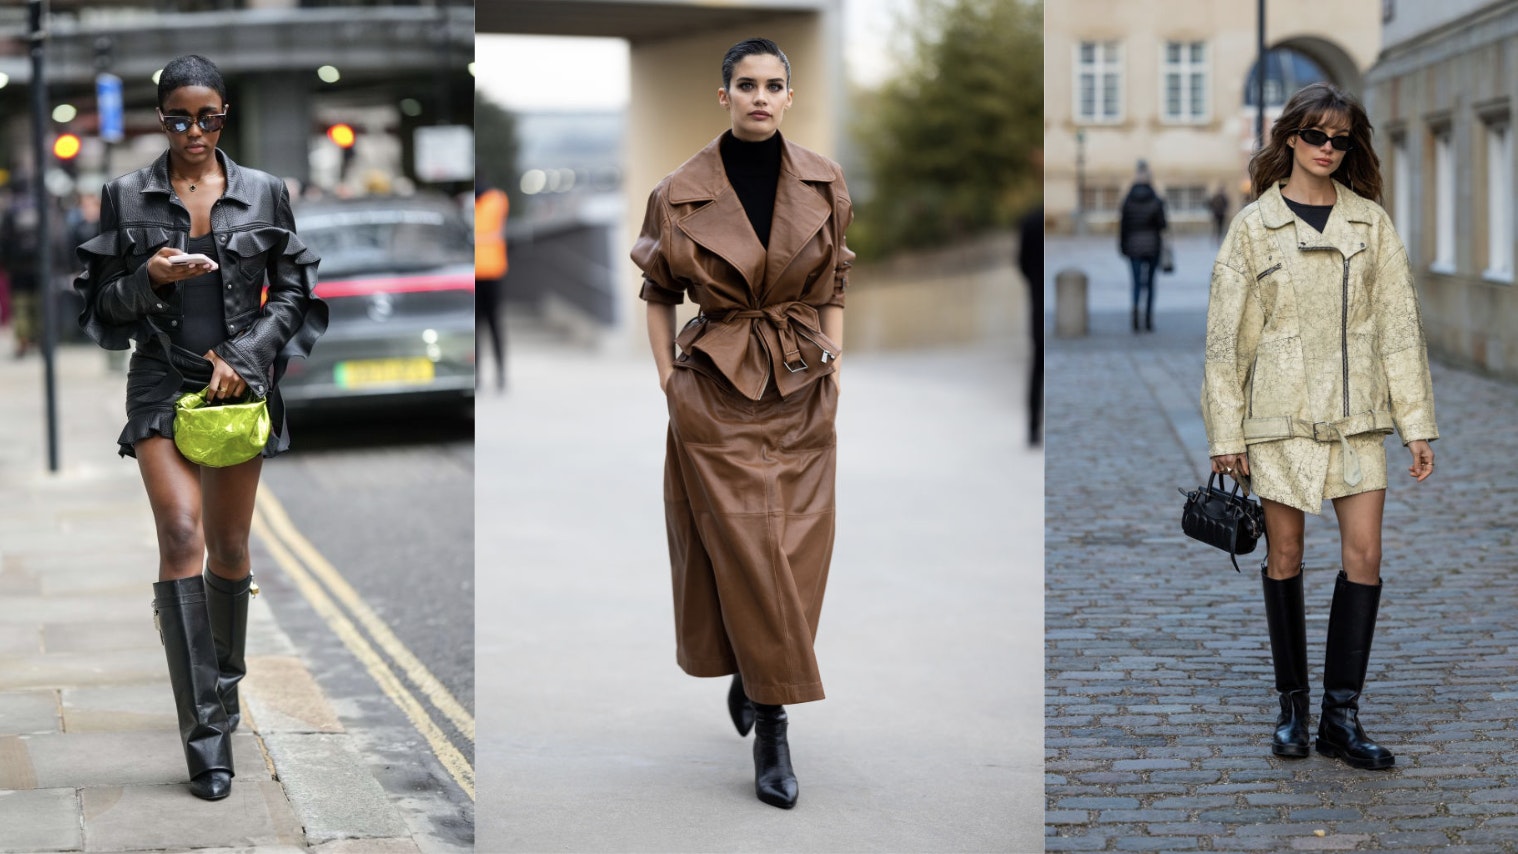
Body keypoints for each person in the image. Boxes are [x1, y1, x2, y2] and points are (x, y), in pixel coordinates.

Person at [72, 55, 328, 800]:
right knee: (180, 534)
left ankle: (223, 686)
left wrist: (245, 358)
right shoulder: (125, 196)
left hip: (236, 388)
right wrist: (148, 279)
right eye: (179, 117)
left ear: (224, 117)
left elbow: (294, 294)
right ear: (161, 118)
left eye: (207, 117)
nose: (193, 130)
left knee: (231, 547)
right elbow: (99, 309)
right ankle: (206, 741)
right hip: (160, 379)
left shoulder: (264, 192)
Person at [631, 37, 852, 810]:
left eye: (773, 85)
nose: (761, 97)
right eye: (747, 84)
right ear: (723, 94)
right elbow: (658, 292)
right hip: (716, 390)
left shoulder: (825, 180)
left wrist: (835, 365)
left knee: (798, 552)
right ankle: (773, 724)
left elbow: (835, 283)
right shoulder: (677, 191)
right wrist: (669, 382)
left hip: (802, 384)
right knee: (749, 546)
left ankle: (756, 667)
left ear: (790, 96)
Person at [1201, 82, 1436, 771]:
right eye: (1315, 135)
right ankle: (1292, 710)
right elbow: (1225, 343)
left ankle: (1341, 717)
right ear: (1290, 138)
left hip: (1358, 421)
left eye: (1340, 139)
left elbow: (1400, 328)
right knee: (1286, 555)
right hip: (1278, 422)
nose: (1327, 148)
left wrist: (1416, 424)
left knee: (1365, 557)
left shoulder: (1371, 225)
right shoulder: (1253, 228)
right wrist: (1227, 435)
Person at [1118, 160, 1167, 333]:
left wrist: (1123, 246)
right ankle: (1148, 318)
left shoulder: (1128, 200)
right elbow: (1163, 225)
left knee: (1136, 282)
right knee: (1151, 283)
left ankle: (1135, 312)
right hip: (1152, 245)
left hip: (1133, 245)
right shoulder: (1156, 200)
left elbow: (1123, 226)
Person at [0, 179, 42, 357]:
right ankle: (38, 338)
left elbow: (4, 240)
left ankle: (23, 339)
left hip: (17, 268)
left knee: (20, 305)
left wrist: (5, 263)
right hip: (39, 265)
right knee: (38, 303)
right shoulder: (38, 206)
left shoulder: (11, 210)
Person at [474, 184, 508, 392]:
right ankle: (489, 374)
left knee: (488, 326)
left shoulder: (495, 199)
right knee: (488, 326)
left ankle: (494, 374)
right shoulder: (497, 199)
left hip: (490, 271)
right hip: (485, 272)